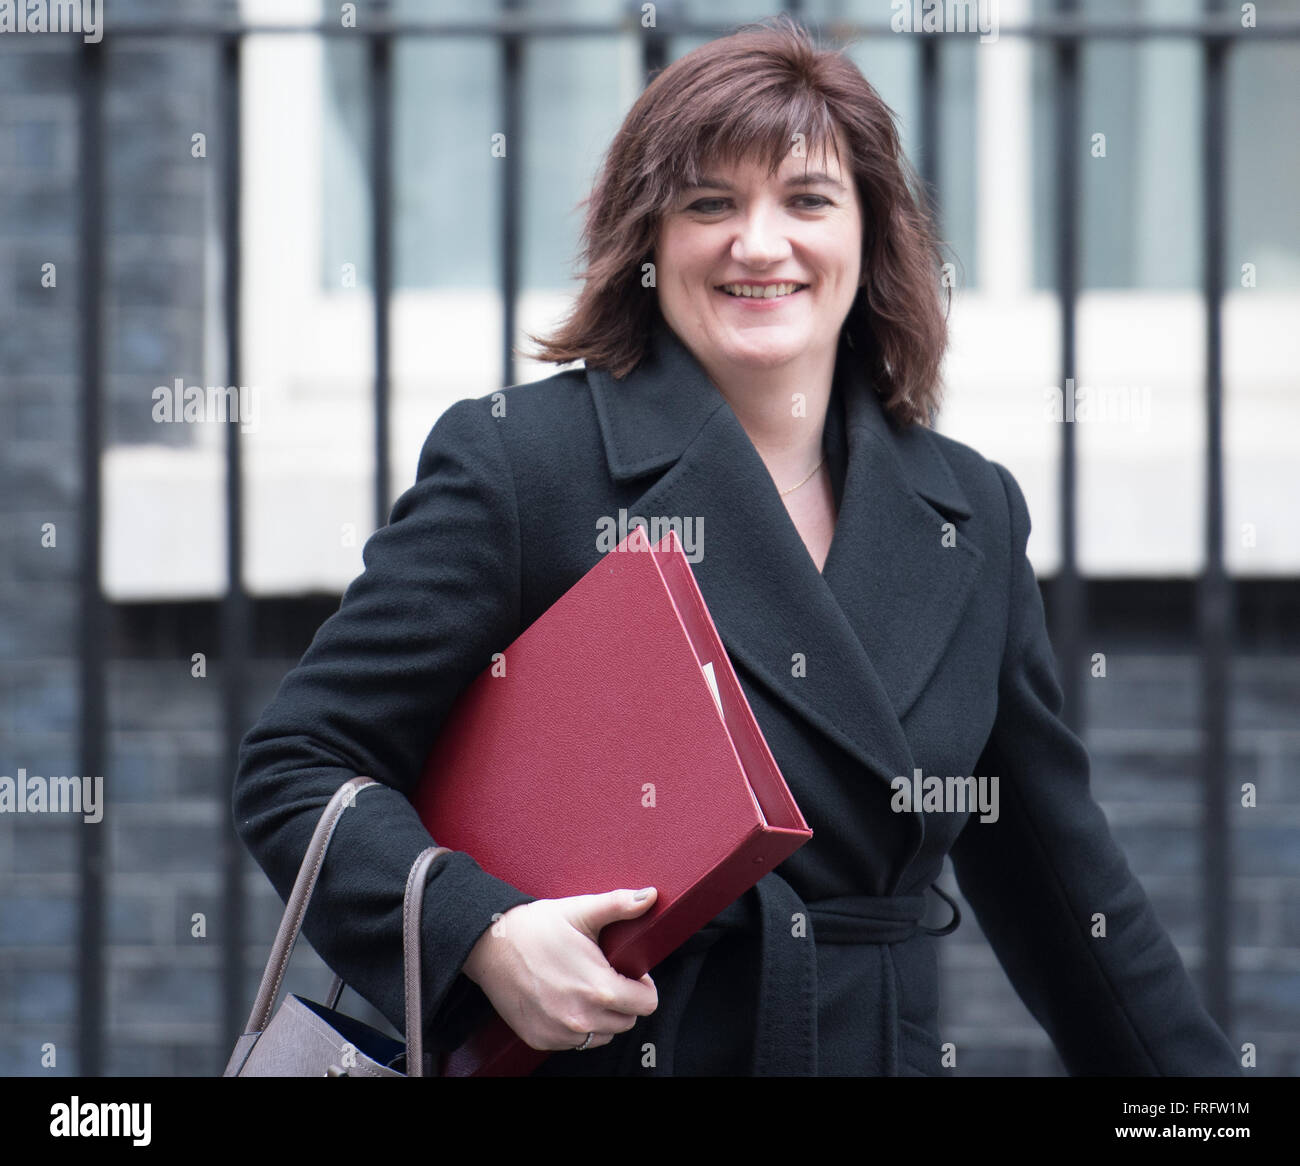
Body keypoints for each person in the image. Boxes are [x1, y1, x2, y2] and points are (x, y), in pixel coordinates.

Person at [232, 16, 1240, 1076]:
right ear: (650, 243)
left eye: (806, 200)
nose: (759, 243)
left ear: (870, 236)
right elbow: (298, 764)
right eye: (710, 203)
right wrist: (482, 934)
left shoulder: (972, 514)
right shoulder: (524, 466)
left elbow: (1067, 894)